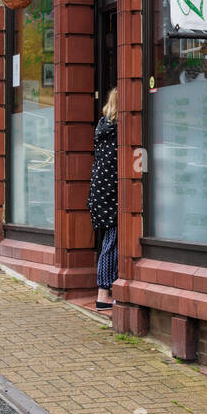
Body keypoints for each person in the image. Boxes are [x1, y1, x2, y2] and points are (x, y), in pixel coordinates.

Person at [87, 87, 118, 314]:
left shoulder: (103, 126)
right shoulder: (117, 129)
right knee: (113, 241)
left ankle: (106, 292)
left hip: (99, 190)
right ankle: (103, 293)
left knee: (109, 239)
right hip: (112, 191)